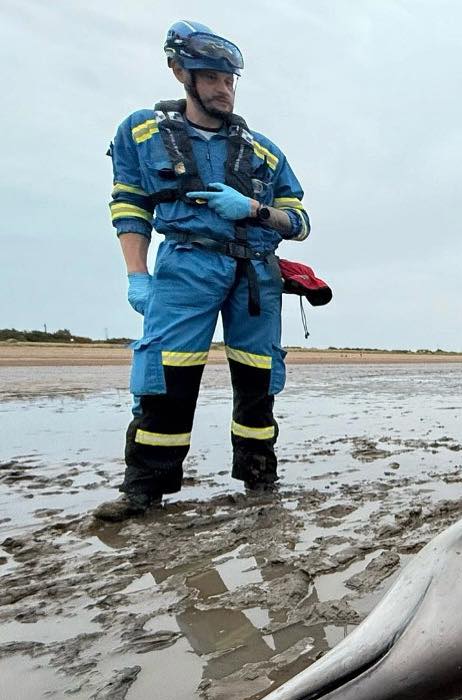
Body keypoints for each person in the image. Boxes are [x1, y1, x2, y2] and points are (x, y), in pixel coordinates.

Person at [94, 21, 310, 522]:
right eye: (211, 77)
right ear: (179, 72)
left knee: (258, 378)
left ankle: (260, 480)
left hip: (256, 273)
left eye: (229, 79)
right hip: (186, 264)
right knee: (165, 377)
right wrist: (137, 274)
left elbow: (298, 222)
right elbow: (129, 204)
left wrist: (255, 211)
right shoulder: (142, 131)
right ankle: (144, 489)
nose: (223, 89)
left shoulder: (266, 152)